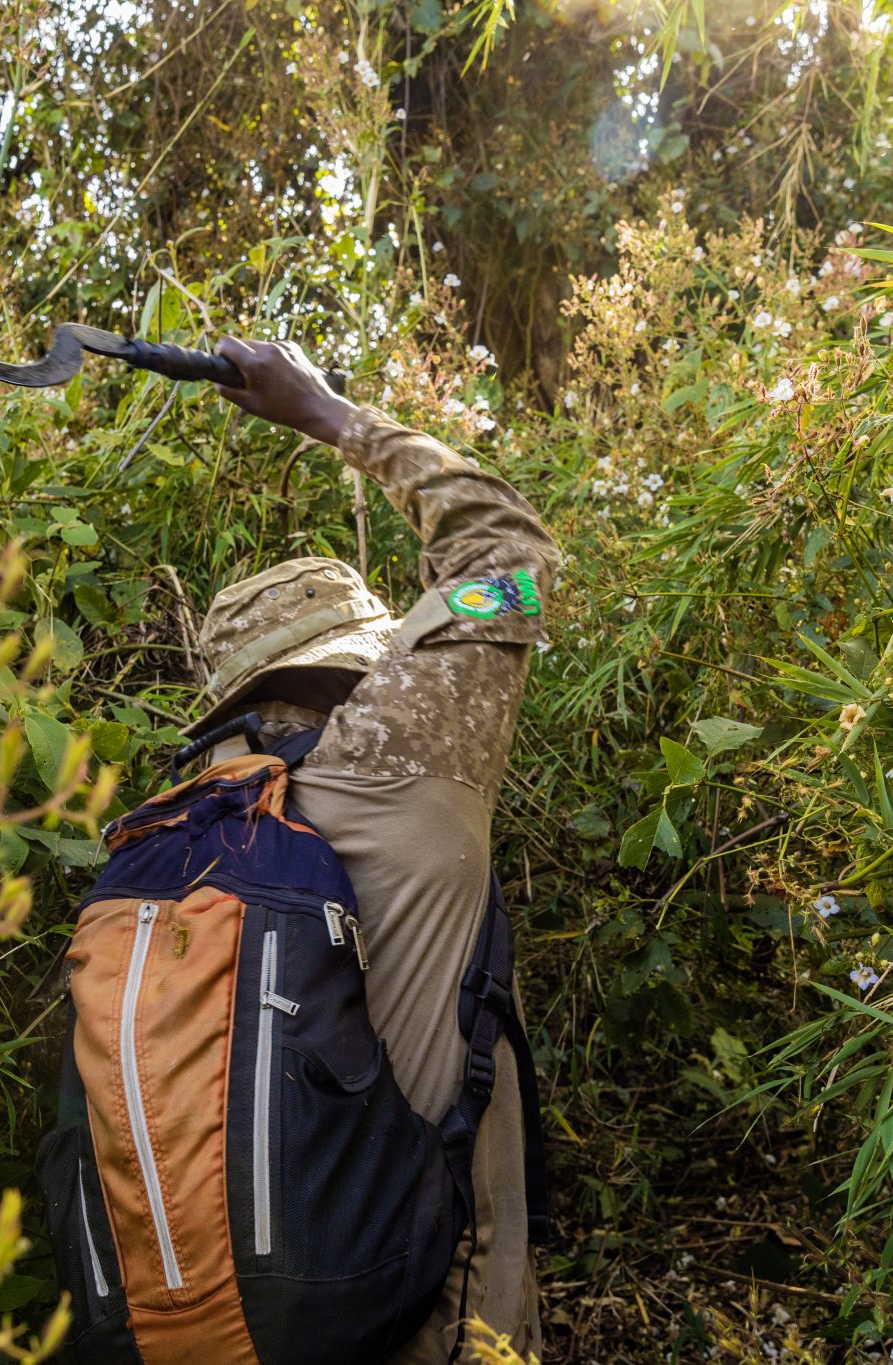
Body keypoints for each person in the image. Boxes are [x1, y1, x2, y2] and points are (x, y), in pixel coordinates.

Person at [180, 336, 561, 1362]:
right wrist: (322, 412)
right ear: (363, 661)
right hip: (433, 1319)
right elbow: (509, 558)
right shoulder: (395, 754)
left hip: (229, 1322)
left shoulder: (182, 829)